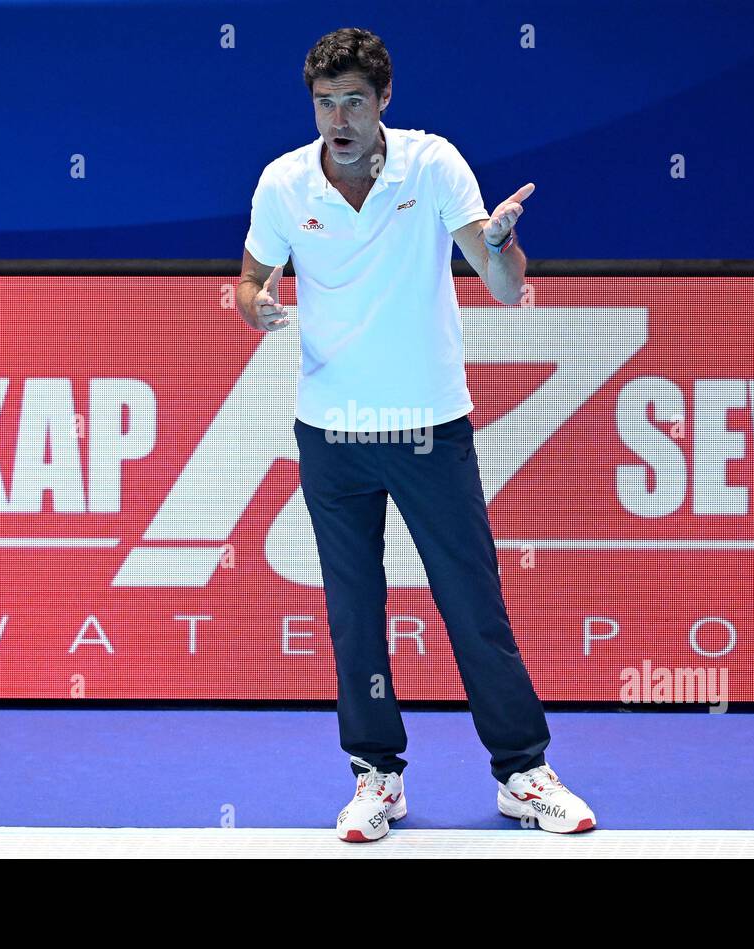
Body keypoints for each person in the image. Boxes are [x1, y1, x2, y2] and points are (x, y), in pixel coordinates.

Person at [237, 27, 595, 842]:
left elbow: (502, 286)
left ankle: (522, 773)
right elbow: (250, 278)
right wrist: (253, 306)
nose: (339, 118)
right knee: (353, 610)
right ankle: (377, 776)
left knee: (472, 603)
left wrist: (505, 250)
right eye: (325, 103)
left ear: (384, 99)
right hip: (331, 434)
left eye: (354, 101)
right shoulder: (284, 183)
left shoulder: (433, 165)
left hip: (430, 426)